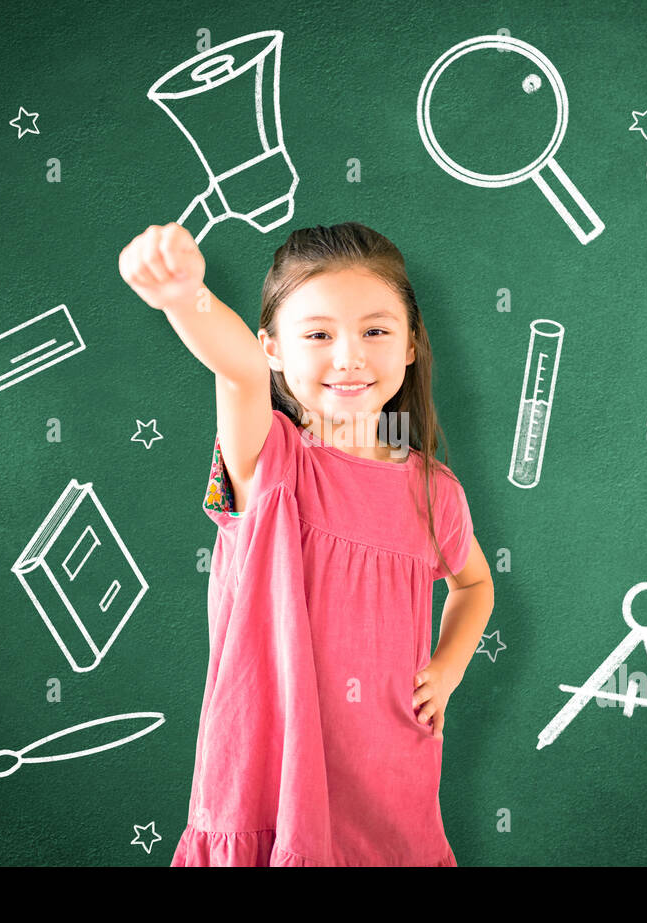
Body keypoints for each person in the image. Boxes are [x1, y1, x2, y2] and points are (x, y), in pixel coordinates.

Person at [118, 220, 495, 866]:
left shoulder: (437, 493)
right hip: (269, 784)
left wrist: (450, 666)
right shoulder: (269, 462)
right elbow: (235, 372)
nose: (348, 356)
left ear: (410, 345)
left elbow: (476, 584)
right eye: (318, 334)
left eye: (375, 330)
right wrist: (186, 296)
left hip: (391, 790)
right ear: (274, 349)